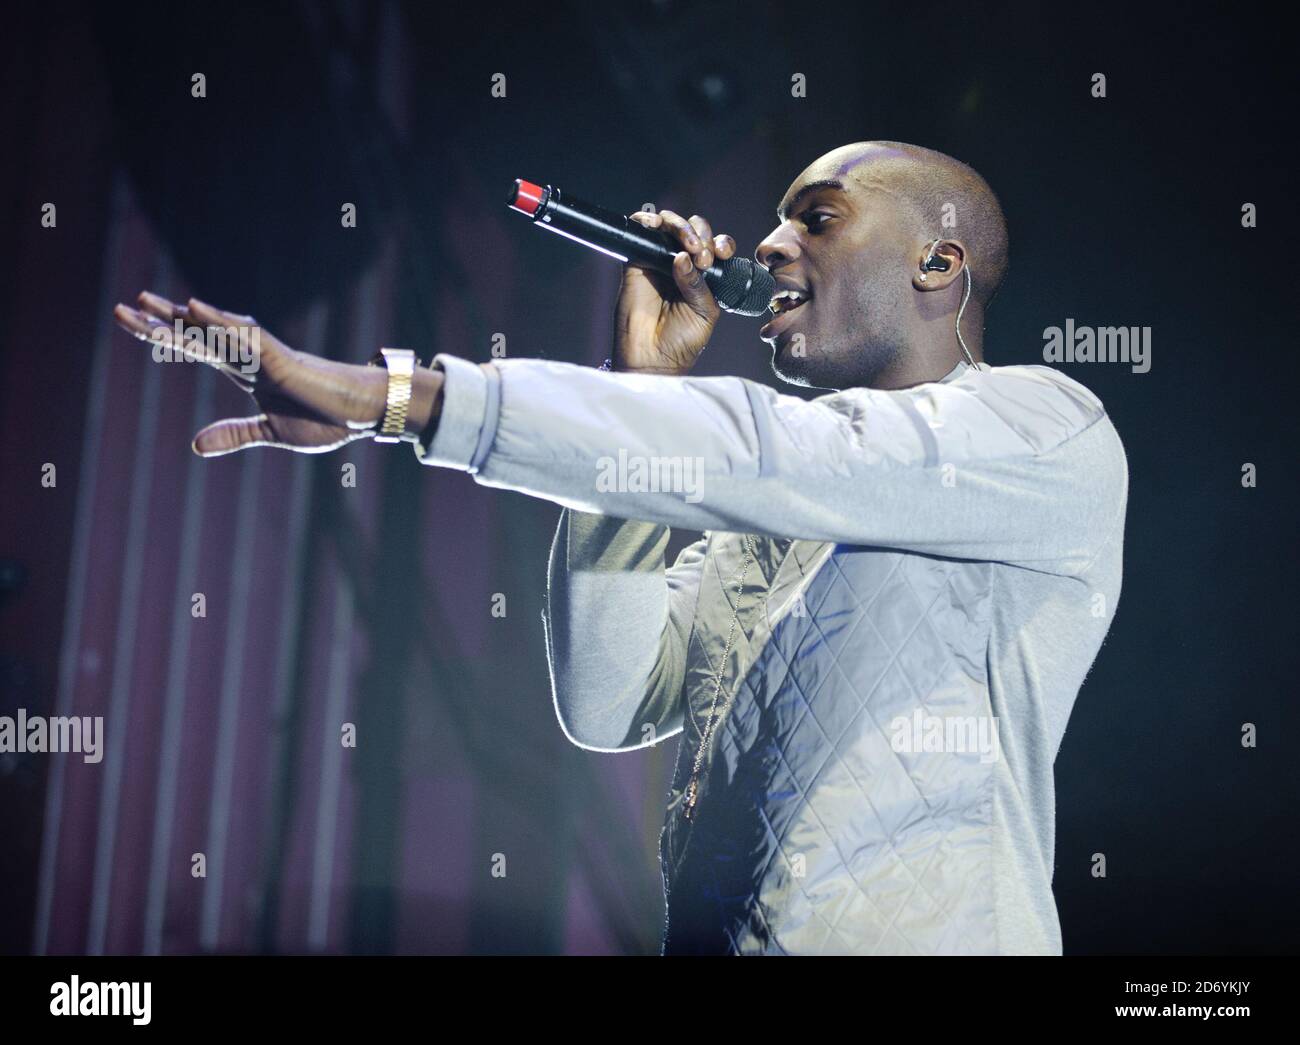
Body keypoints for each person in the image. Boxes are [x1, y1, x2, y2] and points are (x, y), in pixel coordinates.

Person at [114, 141, 1128, 955]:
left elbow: (776, 449)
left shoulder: (1039, 427)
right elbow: (609, 701)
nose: (770, 244)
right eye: (776, 219)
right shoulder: (775, 510)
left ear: (937, 262)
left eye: (814, 217)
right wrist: (641, 383)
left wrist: (398, 398)